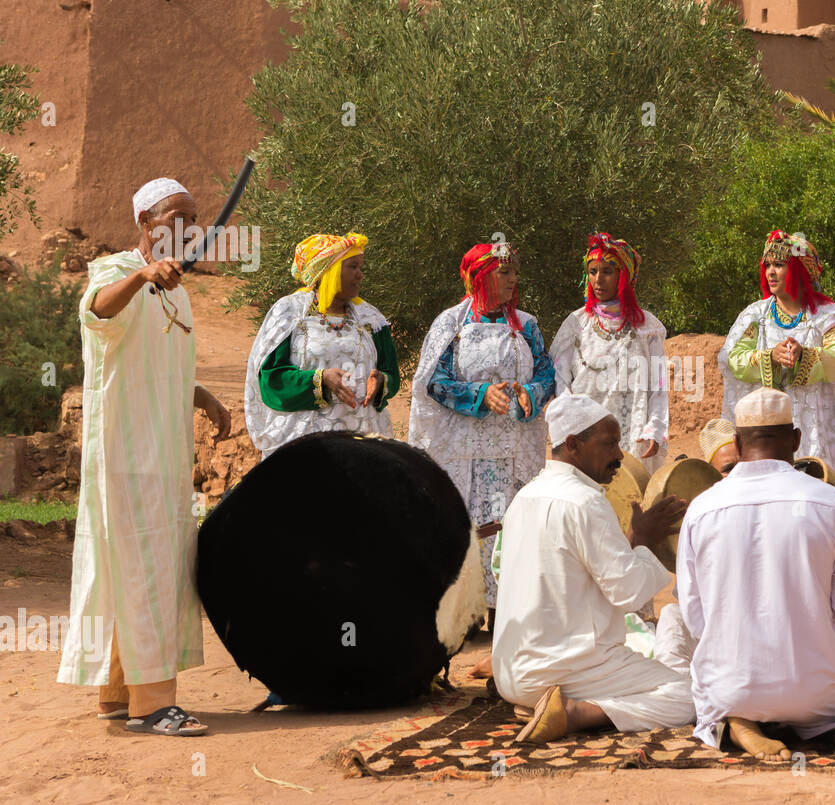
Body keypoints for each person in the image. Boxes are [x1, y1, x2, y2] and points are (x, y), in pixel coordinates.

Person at [676, 387, 835, 761]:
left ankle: (738, 723)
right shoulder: (830, 501)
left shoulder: (701, 509)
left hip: (733, 684)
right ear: (796, 439)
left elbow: (695, 619)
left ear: (736, 441)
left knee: (717, 696)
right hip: (819, 689)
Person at [58, 178, 231, 737]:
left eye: (192, 217)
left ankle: (118, 693)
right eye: (172, 217)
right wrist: (140, 274)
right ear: (145, 224)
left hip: (163, 453)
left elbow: (157, 367)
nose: (184, 228)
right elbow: (97, 312)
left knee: (130, 568)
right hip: (126, 454)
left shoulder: (179, 289)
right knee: (146, 568)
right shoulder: (115, 271)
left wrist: (198, 394)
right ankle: (154, 706)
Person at [494, 393, 695, 743]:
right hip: (562, 670)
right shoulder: (586, 502)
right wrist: (646, 540)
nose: (619, 455)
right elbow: (629, 594)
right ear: (573, 444)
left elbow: (584, 574)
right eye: (609, 444)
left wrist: (632, 539)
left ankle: (545, 704)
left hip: (511, 675)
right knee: (689, 694)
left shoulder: (525, 497)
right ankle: (574, 713)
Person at [408, 241, 556, 610]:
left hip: (513, 450)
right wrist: (479, 394)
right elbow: (432, 382)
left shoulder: (528, 326)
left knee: (511, 525)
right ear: (482, 276)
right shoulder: (452, 324)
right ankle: (465, 613)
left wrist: (531, 394)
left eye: (514, 272)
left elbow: (547, 372)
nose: (512, 279)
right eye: (504, 272)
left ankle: (505, 612)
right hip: (466, 454)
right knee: (466, 526)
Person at [243, 233, 399, 457]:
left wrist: (382, 381)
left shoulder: (372, 320)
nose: (360, 274)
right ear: (330, 270)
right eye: (353, 266)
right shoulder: (289, 313)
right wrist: (320, 379)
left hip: (360, 443)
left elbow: (391, 372)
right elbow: (271, 379)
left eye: (361, 267)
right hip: (303, 446)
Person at [720, 230, 835, 467]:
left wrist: (805, 356)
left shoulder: (828, 315)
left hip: (813, 426)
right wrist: (769, 357)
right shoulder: (756, 314)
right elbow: (732, 358)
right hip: (765, 424)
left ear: (801, 270)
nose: (770, 271)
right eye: (767, 265)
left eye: (779, 265)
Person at [550, 232, 669, 474]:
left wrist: (655, 428)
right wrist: (569, 424)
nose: (597, 279)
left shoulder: (647, 327)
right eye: (593, 272)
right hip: (584, 436)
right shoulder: (576, 323)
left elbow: (658, 384)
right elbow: (561, 379)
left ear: (623, 276)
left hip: (633, 434)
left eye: (606, 272)